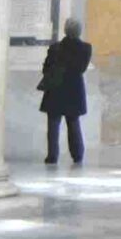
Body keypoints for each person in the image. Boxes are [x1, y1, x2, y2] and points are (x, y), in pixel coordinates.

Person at [38, 18, 93, 165]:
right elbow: (81, 68)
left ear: (65, 30)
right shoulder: (86, 48)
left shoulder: (55, 48)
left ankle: (52, 156)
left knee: (53, 125)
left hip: (55, 89)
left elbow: (46, 69)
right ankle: (77, 155)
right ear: (79, 31)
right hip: (74, 90)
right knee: (73, 123)